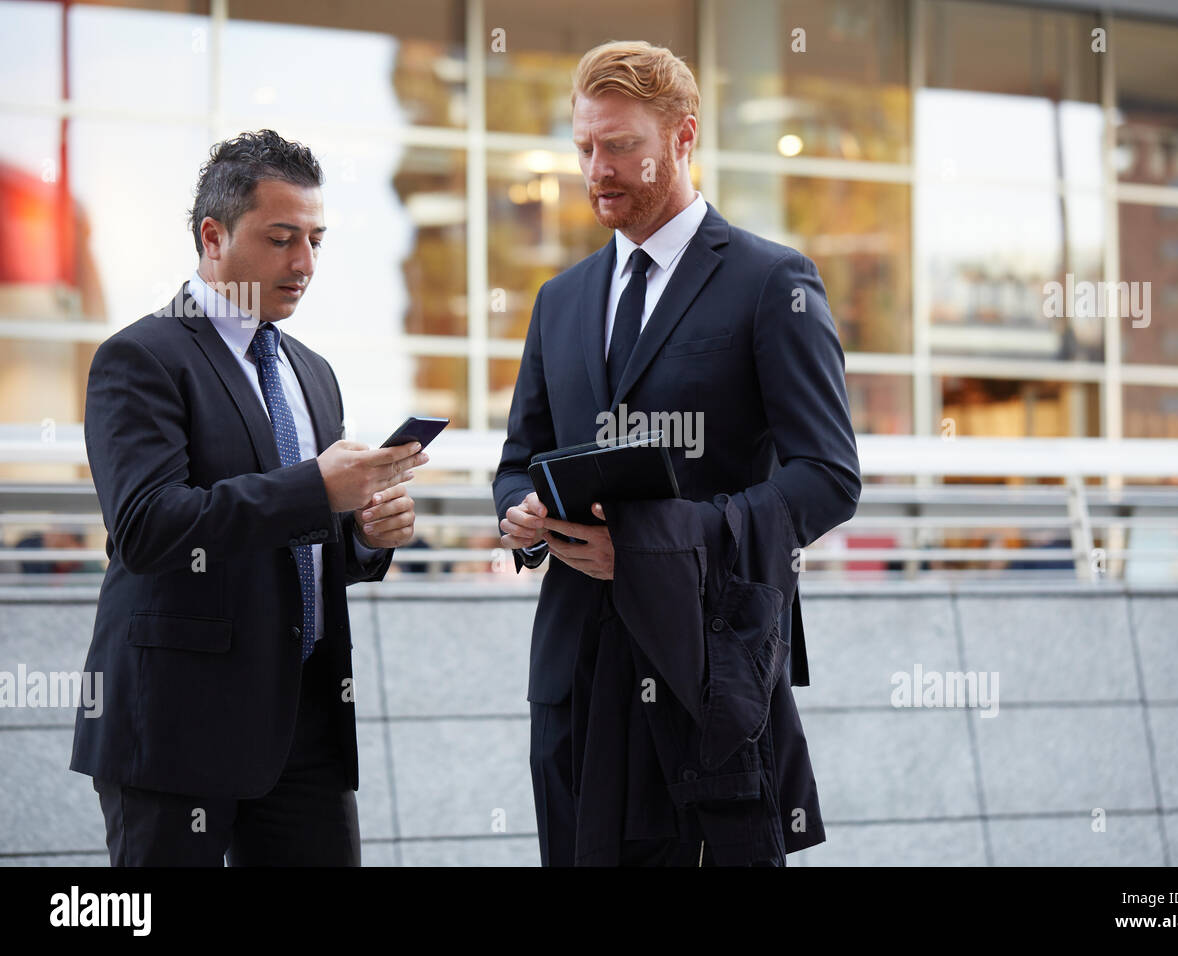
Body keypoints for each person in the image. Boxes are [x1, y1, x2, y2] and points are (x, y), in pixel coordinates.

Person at [493, 41, 861, 865]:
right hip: (574, 671)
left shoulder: (774, 283)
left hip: (706, 667)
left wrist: (662, 544)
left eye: (620, 145)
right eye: (585, 146)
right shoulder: (560, 299)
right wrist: (517, 510)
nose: (596, 168)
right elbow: (522, 456)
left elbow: (829, 478)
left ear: (683, 138)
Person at [71, 129, 426, 866]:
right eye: (281, 238)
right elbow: (146, 527)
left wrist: (365, 532)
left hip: (307, 729)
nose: (304, 264)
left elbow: (309, 535)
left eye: (316, 241)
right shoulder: (141, 357)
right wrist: (316, 487)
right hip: (177, 729)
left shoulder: (314, 372)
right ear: (213, 236)